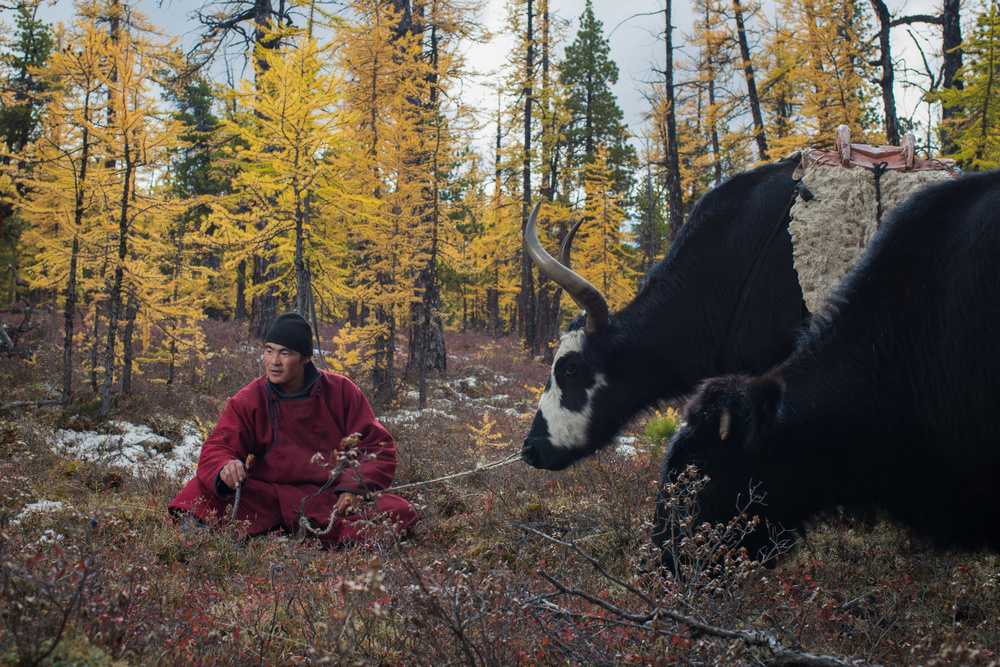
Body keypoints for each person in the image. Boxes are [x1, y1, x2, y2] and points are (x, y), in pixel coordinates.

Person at [169, 312, 418, 547]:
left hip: (331, 496)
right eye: (269, 351)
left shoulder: (341, 391)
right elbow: (219, 446)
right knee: (195, 493)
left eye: (285, 354)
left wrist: (355, 488)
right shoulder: (250, 398)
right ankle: (211, 538)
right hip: (271, 496)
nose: (274, 362)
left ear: (306, 358)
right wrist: (226, 465)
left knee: (399, 511)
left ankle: (282, 536)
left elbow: (375, 446)